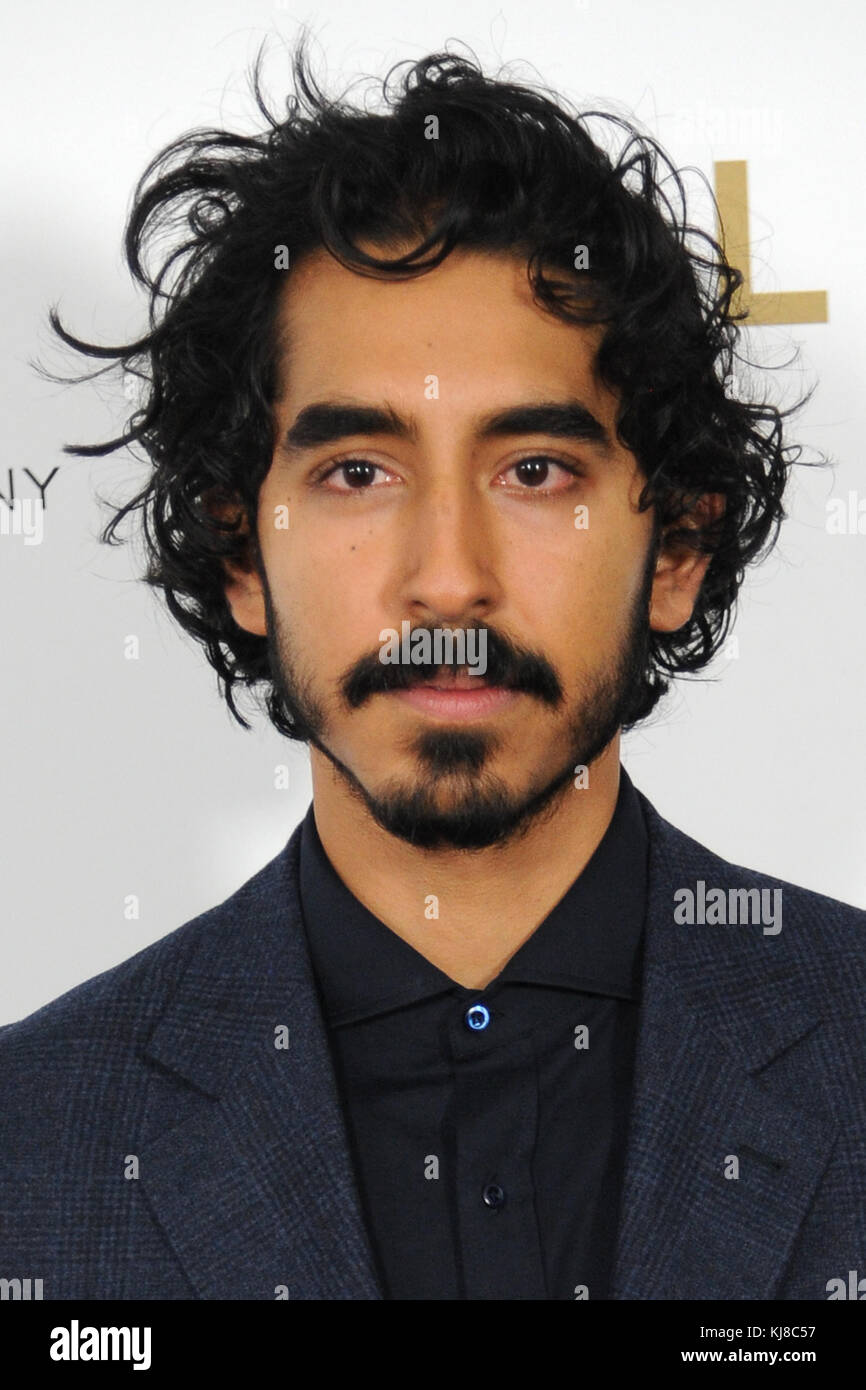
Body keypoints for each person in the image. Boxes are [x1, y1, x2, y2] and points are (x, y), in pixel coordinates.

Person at [2, 39, 863, 1302]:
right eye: (357, 472)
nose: (446, 576)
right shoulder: (32, 1147)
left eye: (534, 472)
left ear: (673, 545)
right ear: (241, 551)